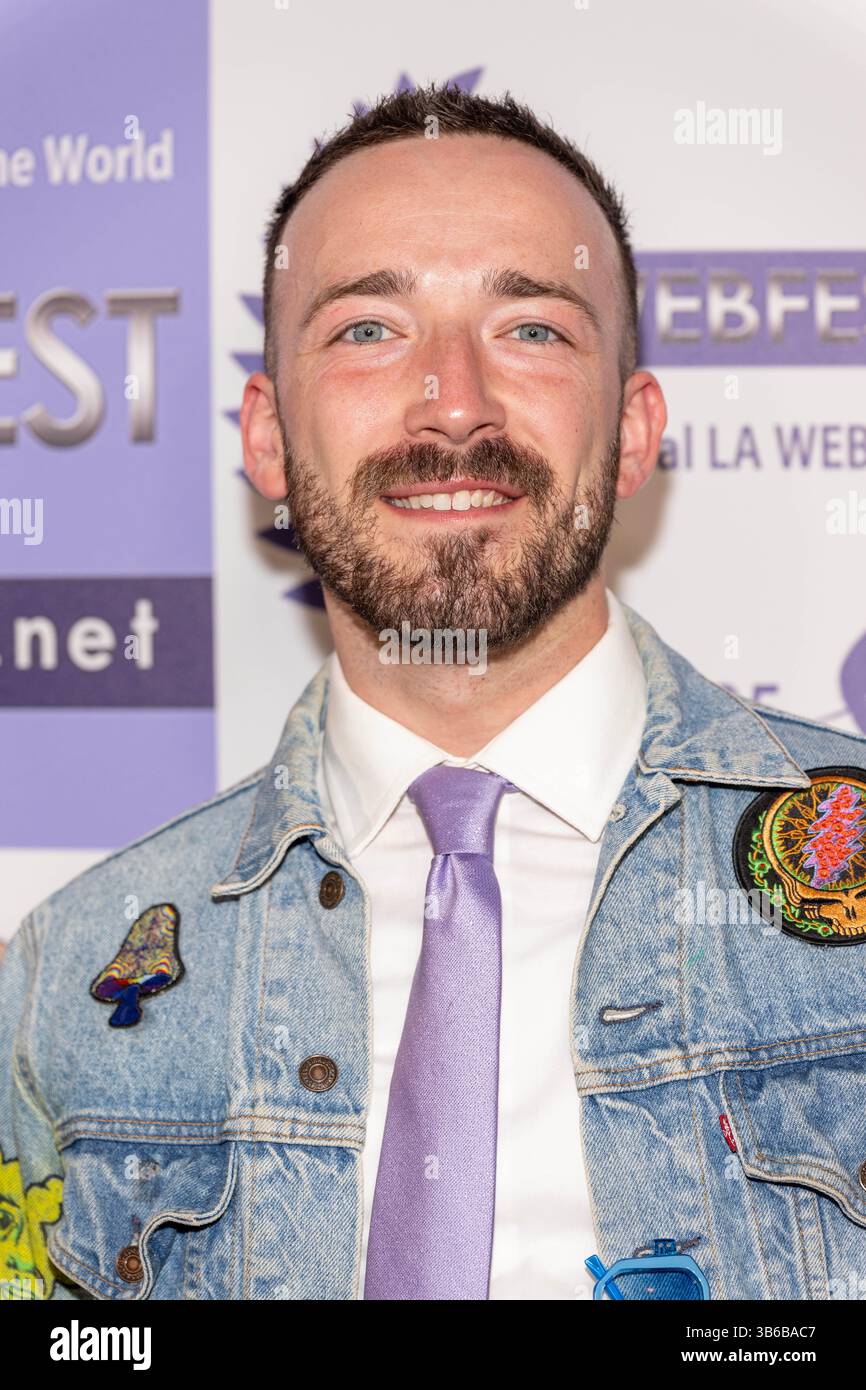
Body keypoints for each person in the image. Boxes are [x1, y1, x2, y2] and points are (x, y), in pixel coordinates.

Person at [2, 84, 865, 1304]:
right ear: (266, 438)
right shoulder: (72, 985)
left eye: (530, 329)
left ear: (629, 431)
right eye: (366, 329)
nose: (452, 400)